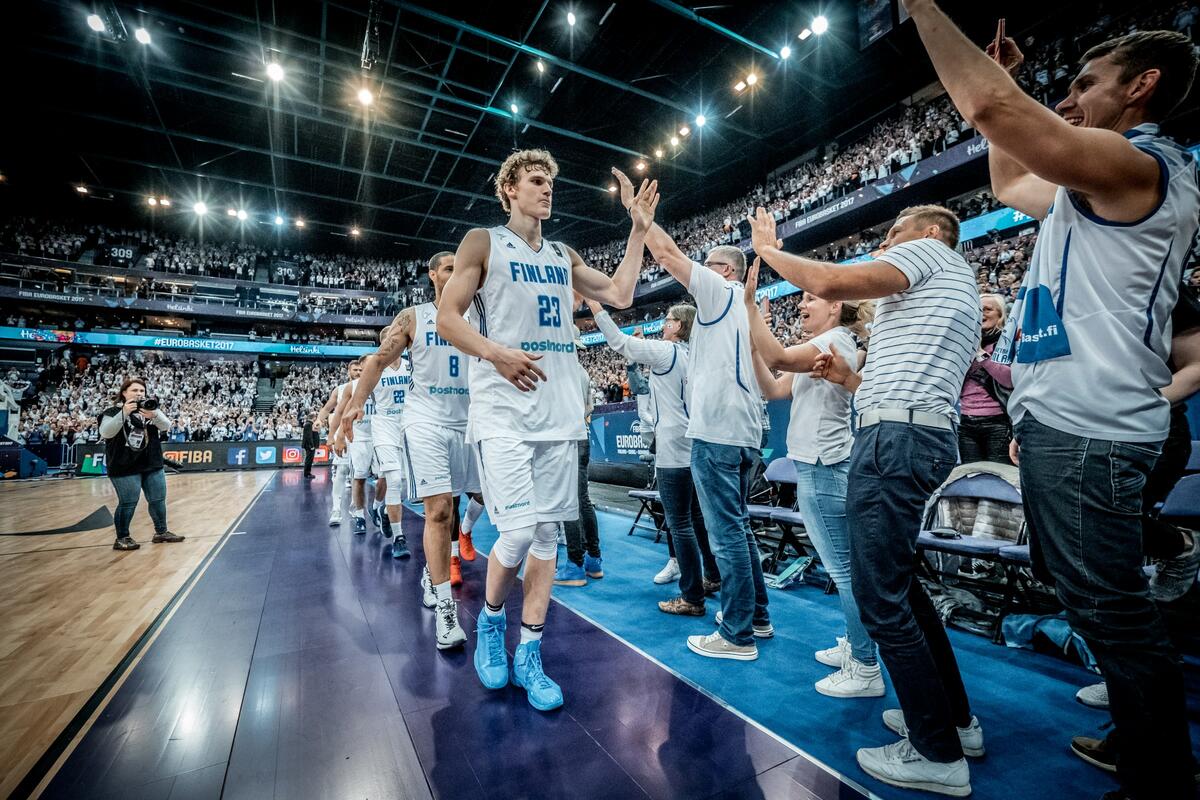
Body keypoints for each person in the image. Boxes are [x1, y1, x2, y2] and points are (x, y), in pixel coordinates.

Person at [906, 3, 1200, 796]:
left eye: (1085, 83)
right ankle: (1144, 745)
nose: (1067, 99)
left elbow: (990, 108)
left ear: (1140, 86)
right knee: (1094, 601)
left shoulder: (1141, 166)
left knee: (1112, 611)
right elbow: (1008, 175)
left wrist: (924, 9)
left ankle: (1161, 776)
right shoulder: (1093, 186)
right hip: (1065, 423)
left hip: (1094, 428)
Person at [749, 202, 982, 796]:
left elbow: (829, 281)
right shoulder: (940, 291)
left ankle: (936, 752)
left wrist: (769, 250)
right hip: (913, 433)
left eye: (893, 233)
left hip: (896, 439)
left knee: (880, 598)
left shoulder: (931, 253)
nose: (884, 244)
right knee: (902, 589)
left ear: (930, 233)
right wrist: (850, 381)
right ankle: (953, 720)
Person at [437, 151, 652, 710]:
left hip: (557, 415)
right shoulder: (483, 242)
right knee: (516, 532)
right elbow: (447, 318)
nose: (547, 189)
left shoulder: (562, 254)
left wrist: (637, 232)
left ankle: (530, 652)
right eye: (536, 180)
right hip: (502, 411)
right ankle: (491, 622)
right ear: (509, 188)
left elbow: (621, 294)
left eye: (550, 182)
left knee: (548, 536)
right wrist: (496, 353)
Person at [613, 167, 772, 662]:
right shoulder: (743, 307)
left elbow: (666, 254)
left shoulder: (719, 292)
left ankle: (738, 634)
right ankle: (758, 616)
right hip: (743, 429)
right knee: (739, 528)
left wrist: (637, 216)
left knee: (725, 536)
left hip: (719, 431)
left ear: (725, 271)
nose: (698, 271)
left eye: (707, 264)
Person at [743, 261, 882, 700]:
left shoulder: (832, 341)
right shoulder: (826, 343)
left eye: (809, 299)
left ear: (834, 306)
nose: (801, 305)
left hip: (824, 466)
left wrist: (751, 310)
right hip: (817, 465)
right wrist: (755, 341)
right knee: (844, 567)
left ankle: (865, 665)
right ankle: (857, 645)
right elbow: (774, 388)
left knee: (843, 570)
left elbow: (779, 358)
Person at [343, 252, 486, 650]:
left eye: (461, 267)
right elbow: (378, 359)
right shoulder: (413, 317)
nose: (456, 272)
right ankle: (445, 610)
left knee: (480, 499)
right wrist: (357, 401)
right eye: (448, 267)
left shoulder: (479, 315)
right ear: (432, 274)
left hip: (470, 422)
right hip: (425, 421)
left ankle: (436, 567)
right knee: (439, 510)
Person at [586, 297, 723, 613]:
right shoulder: (694, 354)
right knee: (696, 517)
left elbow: (619, 341)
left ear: (679, 326)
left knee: (680, 523)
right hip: (692, 442)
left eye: (668, 321)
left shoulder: (668, 351)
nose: (663, 325)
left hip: (673, 447)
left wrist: (595, 307)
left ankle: (692, 597)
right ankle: (713, 575)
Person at [98, 377, 185, 551]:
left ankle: (161, 532)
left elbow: (166, 426)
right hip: (124, 465)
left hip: (152, 462)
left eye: (142, 391)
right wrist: (124, 413)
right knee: (128, 502)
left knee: (158, 500)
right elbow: (106, 432)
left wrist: (155, 416)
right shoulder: (112, 412)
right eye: (134, 390)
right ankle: (122, 537)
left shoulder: (150, 408)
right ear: (124, 393)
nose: (139, 394)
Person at [554, 317, 603, 587]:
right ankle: (594, 559)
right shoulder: (582, 372)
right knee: (583, 499)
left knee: (569, 502)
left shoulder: (559, 370)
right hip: (582, 436)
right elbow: (589, 408)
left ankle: (575, 564)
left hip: (566, 439)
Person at [368, 325, 413, 556]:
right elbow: (363, 394)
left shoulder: (411, 365)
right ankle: (399, 537)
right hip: (384, 427)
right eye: (390, 339)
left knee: (406, 484)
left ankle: (385, 511)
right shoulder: (375, 366)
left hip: (408, 426)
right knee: (394, 480)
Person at [957, 293, 1013, 464]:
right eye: (979, 310)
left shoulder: (1006, 343)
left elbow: (1009, 379)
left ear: (1000, 315)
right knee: (971, 474)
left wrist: (980, 354)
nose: (982, 313)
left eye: (988, 309)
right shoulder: (964, 343)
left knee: (999, 474)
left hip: (997, 422)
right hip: (965, 421)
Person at [318, 359, 361, 527]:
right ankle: (336, 508)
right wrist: (319, 420)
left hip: (362, 434)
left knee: (359, 474)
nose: (358, 372)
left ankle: (356, 507)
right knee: (342, 470)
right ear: (349, 371)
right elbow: (327, 409)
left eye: (360, 370)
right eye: (355, 370)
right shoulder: (341, 389)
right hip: (344, 434)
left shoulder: (370, 385)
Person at [301, 410, 319, 479]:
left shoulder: (310, 424)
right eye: (315, 417)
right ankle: (307, 473)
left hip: (310, 445)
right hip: (309, 446)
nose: (316, 418)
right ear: (313, 417)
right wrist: (311, 446)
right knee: (309, 459)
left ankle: (308, 472)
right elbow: (309, 436)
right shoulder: (309, 424)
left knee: (310, 459)